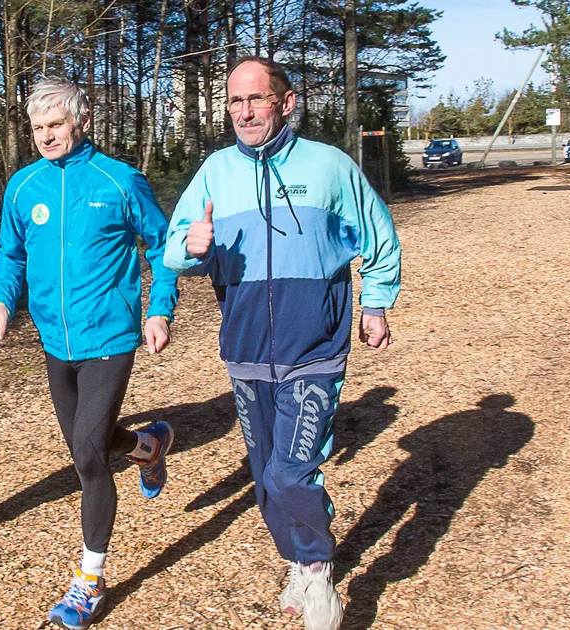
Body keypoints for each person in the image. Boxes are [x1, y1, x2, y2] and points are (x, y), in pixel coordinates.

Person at [164, 57, 402, 630]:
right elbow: (171, 251)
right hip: (245, 350)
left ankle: (319, 577)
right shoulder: (216, 172)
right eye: (235, 102)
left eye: (256, 99)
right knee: (265, 470)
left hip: (314, 345)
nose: (244, 112)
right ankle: (298, 557)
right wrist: (192, 246)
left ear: (286, 102)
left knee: (289, 473)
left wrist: (376, 302)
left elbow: (378, 234)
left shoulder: (329, 167)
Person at [0, 76, 179, 630]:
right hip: (53, 341)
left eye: (56, 125)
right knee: (86, 445)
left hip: (110, 337)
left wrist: (160, 308)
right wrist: (1, 303)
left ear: (82, 122)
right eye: (38, 127)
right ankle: (148, 444)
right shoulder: (23, 187)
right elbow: (10, 255)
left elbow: (162, 246)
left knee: (88, 455)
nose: (46, 136)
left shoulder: (119, 180)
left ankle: (89, 579)